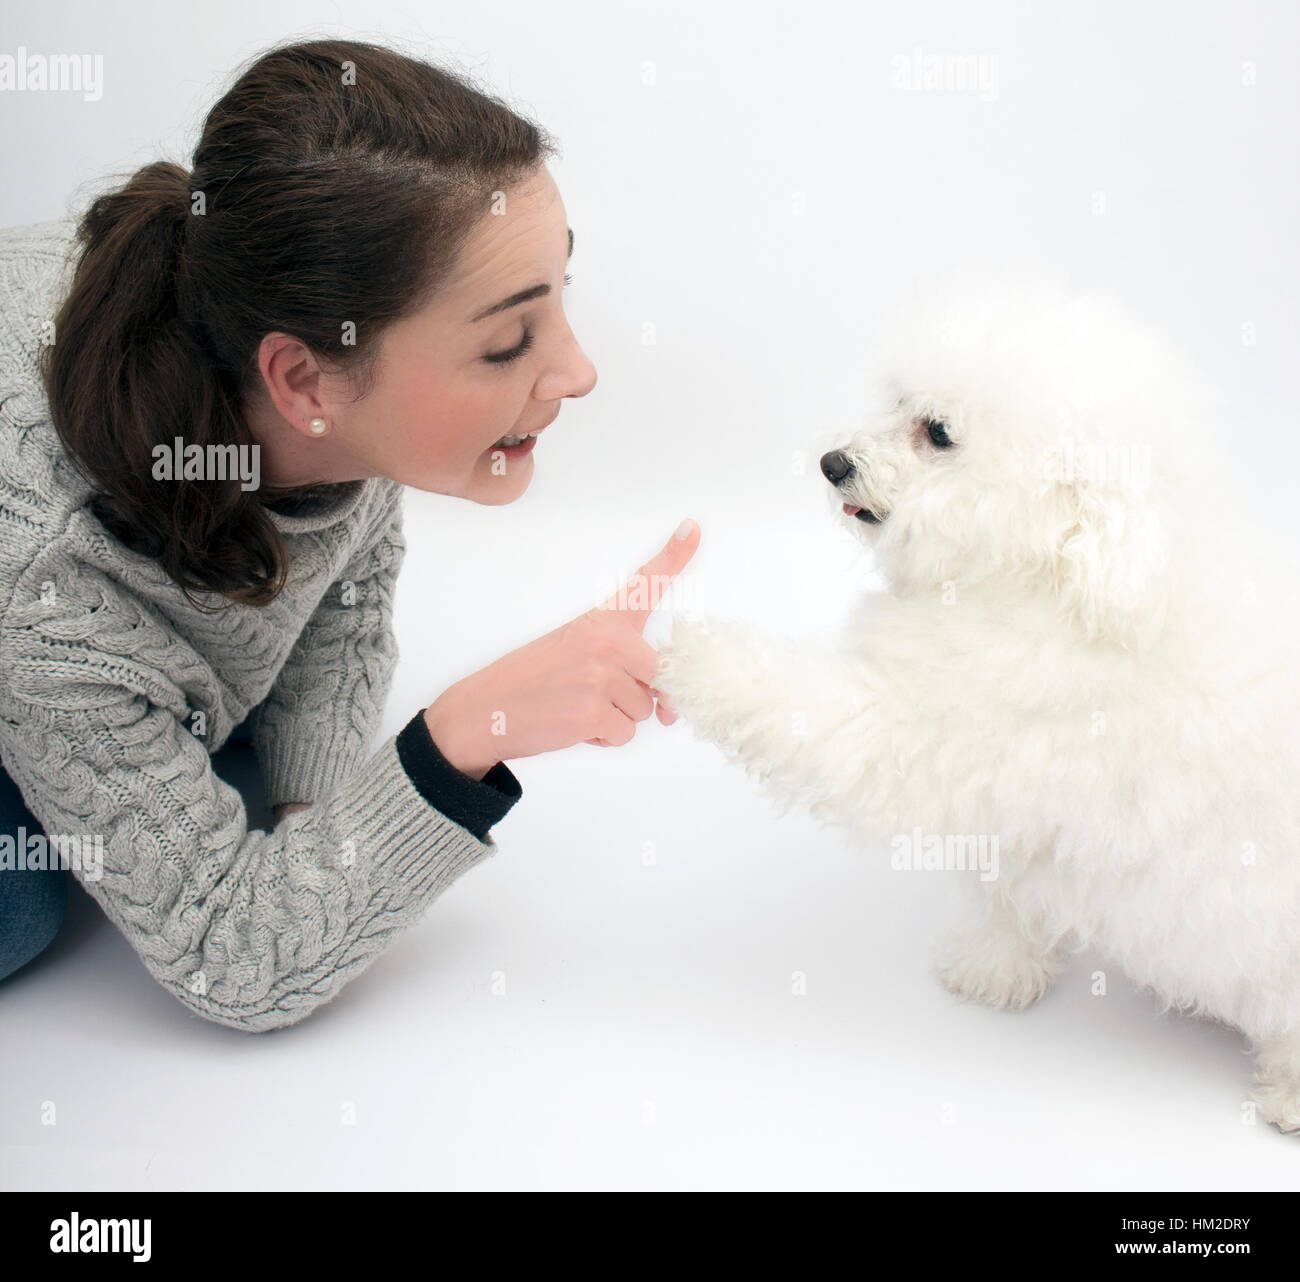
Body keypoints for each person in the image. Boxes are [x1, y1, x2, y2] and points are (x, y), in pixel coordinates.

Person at [0, 38, 700, 1029]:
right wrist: (463, 735)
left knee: (228, 736)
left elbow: (339, 606)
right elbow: (229, 960)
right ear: (302, 381)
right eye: (506, 341)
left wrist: (312, 826)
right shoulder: (53, 582)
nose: (576, 371)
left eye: (555, 305)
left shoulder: (326, 412)